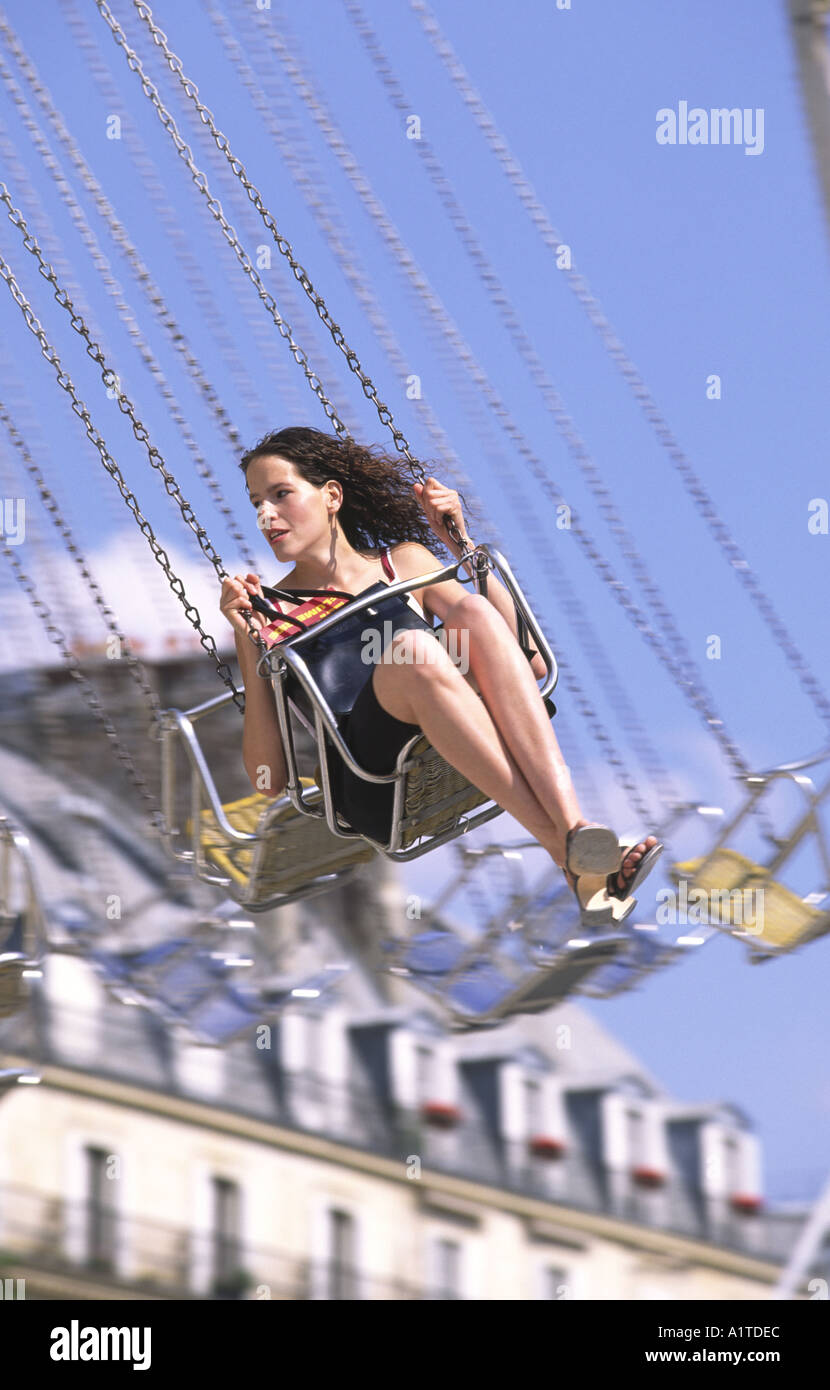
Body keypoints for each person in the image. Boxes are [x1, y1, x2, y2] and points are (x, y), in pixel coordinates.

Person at [219, 426, 661, 924]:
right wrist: (247, 642)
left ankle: (576, 837)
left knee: (469, 615)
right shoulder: (267, 612)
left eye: (280, 495)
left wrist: (460, 547)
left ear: (331, 497)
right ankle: (568, 849)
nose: (265, 516)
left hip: (448, 722)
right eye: (257, 502)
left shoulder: (403, 561)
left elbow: (529, 660)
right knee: (415, 648)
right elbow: (267, 779)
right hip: (372, 779)